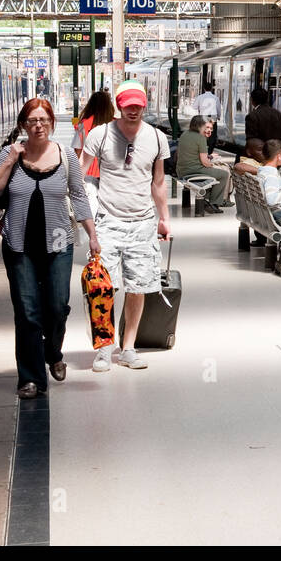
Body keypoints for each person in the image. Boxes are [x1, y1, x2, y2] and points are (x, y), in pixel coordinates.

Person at [0, 99, 97, 399]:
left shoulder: (66, 155)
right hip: (19, 246)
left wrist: (92, 236)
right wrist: (9, 160)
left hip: (59, 244)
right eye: (32, 120)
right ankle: (31, 378)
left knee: (57, 307)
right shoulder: (10, 154)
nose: (38, 125)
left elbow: (79, 196)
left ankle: (54, 353)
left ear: (52, 123)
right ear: (23, 124)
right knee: (27, 312)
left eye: (44, 119)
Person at [79, 79, 172, 372]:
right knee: (104, 287)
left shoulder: (157, 138)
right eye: (128, 105)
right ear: (119, 105)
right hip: (108, 220)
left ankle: (128, 347)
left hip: (143, 223)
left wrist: (164, 219)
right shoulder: (100, 135)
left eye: (138, 105)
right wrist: (87, 220)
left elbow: (158, 183)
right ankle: (104, 348)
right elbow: (80, 175)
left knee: (138, 286)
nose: (133, 110)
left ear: (144, 106)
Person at [176, 115, 232, 211]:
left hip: (181, 170)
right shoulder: (200, 138)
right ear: (199, 126)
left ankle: (208, 199)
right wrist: (212, 165)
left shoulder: (184, 134)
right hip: (194, 170)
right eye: (206, 127)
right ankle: (214, 203)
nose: (209, 130)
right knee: (224, 174)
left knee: (216, 172)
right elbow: (205, 162)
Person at [72, 90, 115, 215]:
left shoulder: (83, 125)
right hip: (111, 172)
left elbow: (77, 152)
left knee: (92, 207)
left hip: (89, 173)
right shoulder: (116, 124)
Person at [194, 81, 220, 153]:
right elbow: (218, 108)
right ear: (211, 88)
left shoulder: (200, 97)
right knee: (212, 135)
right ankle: (210, 151)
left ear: (204, 88)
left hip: (203, 117)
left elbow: (194, 107)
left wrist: (200, 108)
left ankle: (202, 150)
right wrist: (218, 116)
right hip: (213, 117)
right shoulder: (215, 98)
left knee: (202, 134)